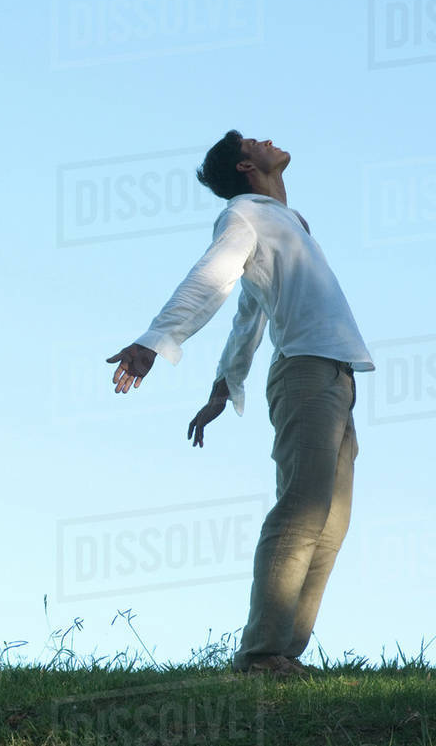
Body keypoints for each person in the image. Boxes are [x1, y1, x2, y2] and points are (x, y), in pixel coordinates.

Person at [105, 130, 373, 677]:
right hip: (305, 372)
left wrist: (225, 383)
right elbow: (212, 278)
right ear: (248, 167)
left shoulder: (288, 222)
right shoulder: (243, 215)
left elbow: (249, 312)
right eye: (255, 141)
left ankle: (284, 656)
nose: (269, 139)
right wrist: (156, 339)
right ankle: (260, 655)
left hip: (335, 376)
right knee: (300, 512)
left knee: (331, 522)